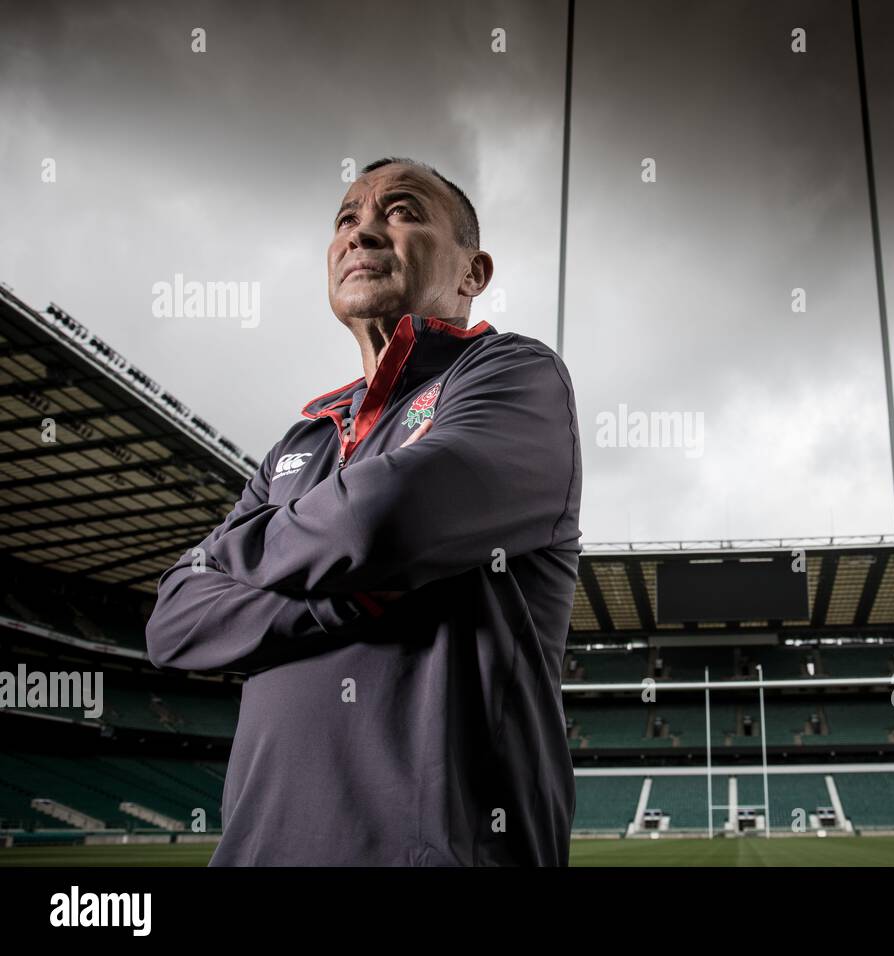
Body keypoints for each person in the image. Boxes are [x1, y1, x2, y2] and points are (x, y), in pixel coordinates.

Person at [146, 157, 583, 866]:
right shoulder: (303, 437)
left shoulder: (513, 376)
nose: (362, 232)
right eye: (347, 218)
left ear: (473, 272)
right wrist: (346, 602)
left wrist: (240, 556)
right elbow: (173, 620)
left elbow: (381, 521)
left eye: (403, 211)